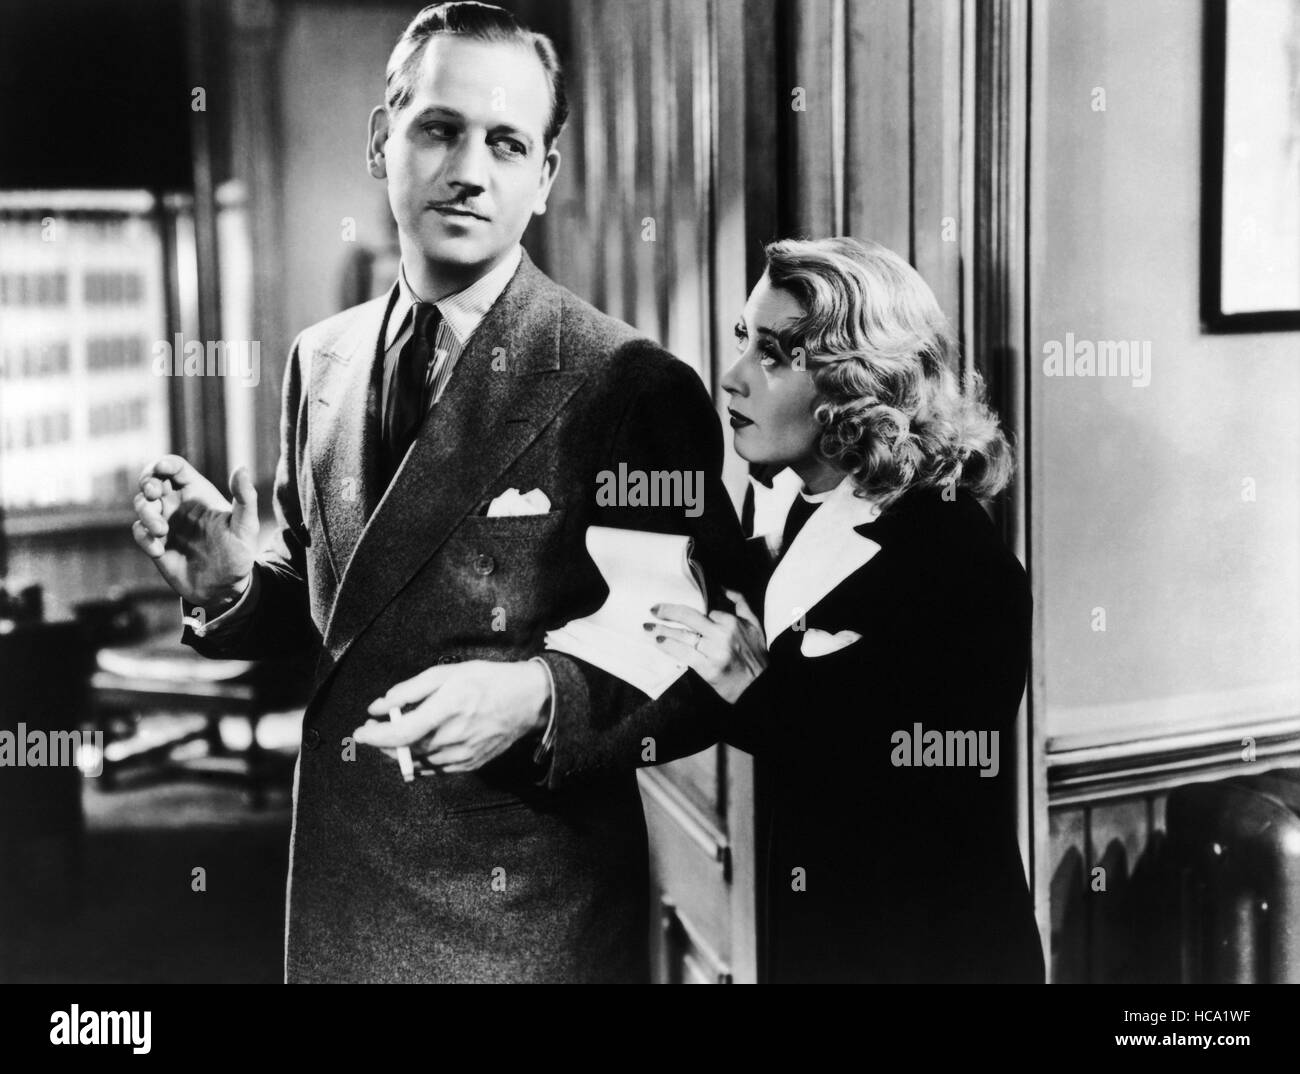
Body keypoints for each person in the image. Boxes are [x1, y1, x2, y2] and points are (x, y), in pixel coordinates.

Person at [131, 1, 750, 983]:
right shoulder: (319, 360)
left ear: (543, 175)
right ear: (384, 142)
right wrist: (227, 582)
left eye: (506, 142)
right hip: (342, 893)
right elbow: (348, 605)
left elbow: (716, 646)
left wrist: (538, 695)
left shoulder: (622, 382)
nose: (469, 171)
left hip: (523, 921)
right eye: (439, 129)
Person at [652, 236, 1046, 983]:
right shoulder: (790, 504)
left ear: (855, 383)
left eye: (773, 355)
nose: (731, 380)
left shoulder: (962, 562)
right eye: (744, 340)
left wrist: (760, 692)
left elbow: (933, 777)